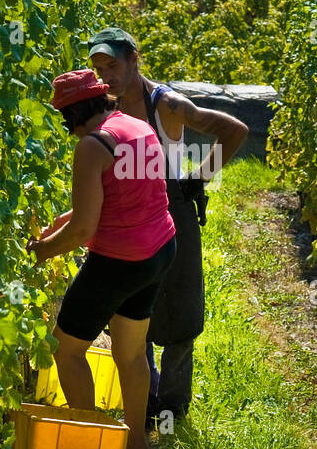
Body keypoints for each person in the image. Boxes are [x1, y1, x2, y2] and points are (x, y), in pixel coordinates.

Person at [87, 28, 248, 425]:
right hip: (121, 214)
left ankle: (172, 411)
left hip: (170, 213)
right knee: (129, 315)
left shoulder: (167, 106)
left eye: (114, 64)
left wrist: (198, 179)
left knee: (179, 315)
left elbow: (235, 131)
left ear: (134, 59)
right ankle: (142, 406)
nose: (107, 75)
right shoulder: (101, 107)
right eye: (100, 67)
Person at [27, 69, 177, 449]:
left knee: (66, 349)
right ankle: (137, 447)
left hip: (118, 261)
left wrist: (41, 251)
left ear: (72, 115)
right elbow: (113, 196)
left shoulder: (92, 146)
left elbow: (83, 231)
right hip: (158, 250)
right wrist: (57, 225)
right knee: (130, 353)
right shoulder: (136, 127)